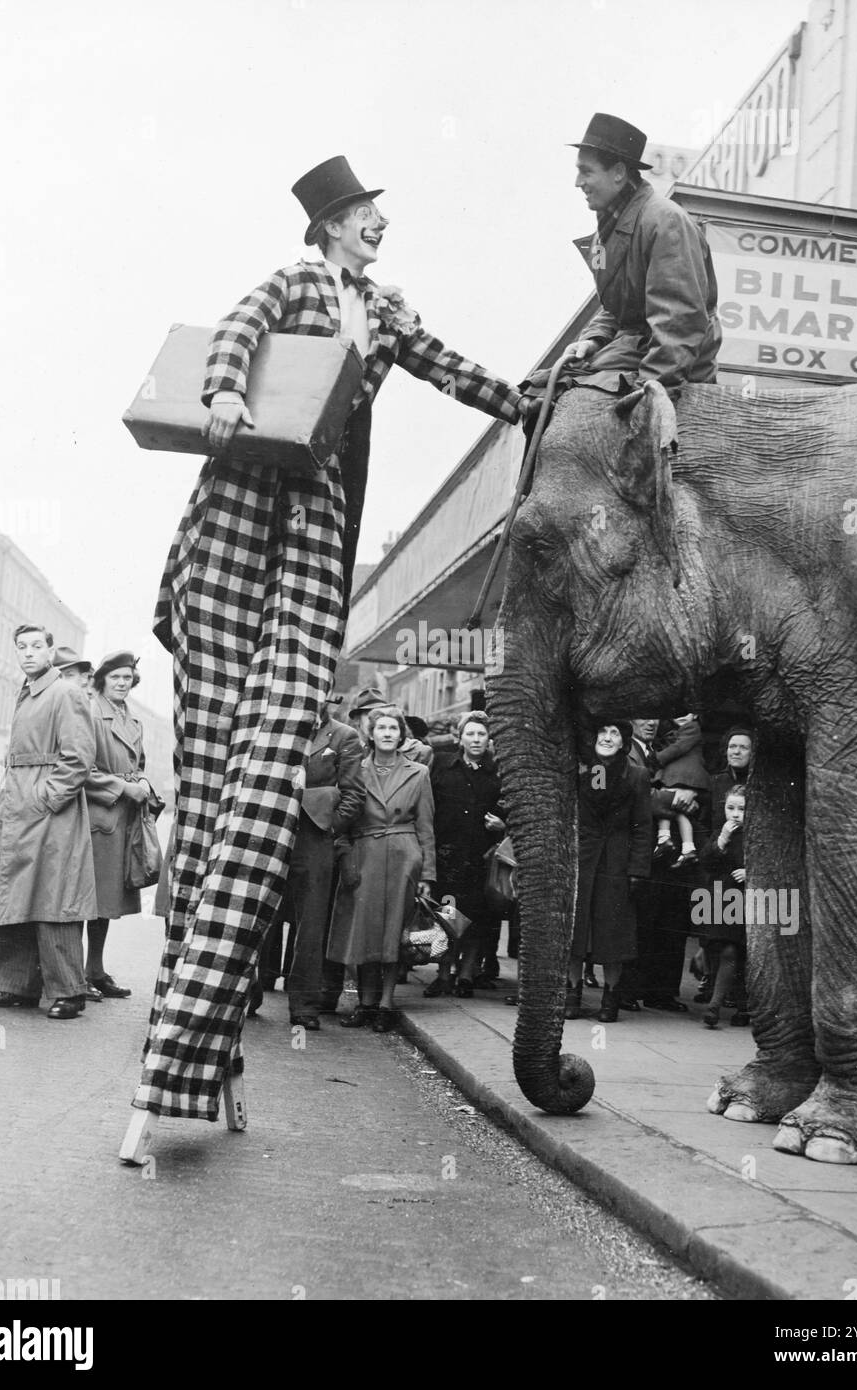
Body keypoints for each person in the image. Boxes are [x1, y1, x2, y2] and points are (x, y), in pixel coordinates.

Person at [136, 156, 526, 1122]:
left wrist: (521, 400)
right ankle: (188, 1036)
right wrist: (225, 395)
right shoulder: (294, 281)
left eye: (377, 215)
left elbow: (441, 363)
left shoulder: (385, 307)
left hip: (318, 507)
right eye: (362, 215)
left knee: (262, 768)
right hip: (244, 493)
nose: (376, 227)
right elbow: (232, 335)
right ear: (329, 226)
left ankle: (194, 1038)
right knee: (217, 747)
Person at [0, 624, 97, 1020]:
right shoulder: (25, 692)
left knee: (52, 898)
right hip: (15, 801)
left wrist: (47, 798)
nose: (28, 653)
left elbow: (78, 757)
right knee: (10, 893)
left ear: (49, 651)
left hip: (45, 809)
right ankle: (16, 985)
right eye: (21, 647)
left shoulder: (66, 693)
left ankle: (69, 991)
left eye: (36, 646)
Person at [563, 113, 721, 392]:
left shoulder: (665, 222)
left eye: (586, 171)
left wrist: (648, 390)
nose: (578, 182)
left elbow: (679, 322)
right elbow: (614, 307)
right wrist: (594, 339)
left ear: (619, 173)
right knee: (549, 386)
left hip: (676, 367)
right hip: (635, 351)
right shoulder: (603, 235)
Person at [258, 697, 365, 1029]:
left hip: (315, 837)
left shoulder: (344, 736)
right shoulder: (275, 727)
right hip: (272, 832)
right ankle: (248, 993)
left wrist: (330, 826)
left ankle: (304, 1005)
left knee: (312, 923)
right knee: (259, 912)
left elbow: (354, 793)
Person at [328, 709, 435, 1032]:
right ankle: (366, 1003)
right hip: (365, 854)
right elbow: (342, 818)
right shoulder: (356, 769)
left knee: (394, 933)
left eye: (393, 728)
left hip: (404, 855)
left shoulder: (418, 772)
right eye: (381, 728)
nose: (387, 733)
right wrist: (345, 856)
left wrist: (428, 874)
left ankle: (387, 1004)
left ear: (401, 735)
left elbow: (426, 825)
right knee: (364, 932)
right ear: (370, 734)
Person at [84, 652, 160, 1002]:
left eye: (127, 678)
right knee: (87, 900)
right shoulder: (89, 712)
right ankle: (77, 973)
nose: (121, 683)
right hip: (96, 816)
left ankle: (95, 970)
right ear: (102, 679)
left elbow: (137, 762)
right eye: (114, 677)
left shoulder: (130, 718)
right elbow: (81, 769)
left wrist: (142, 780)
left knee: (108, 902)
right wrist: (124, 787)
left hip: (122, 818)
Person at [566, 723, 653, 1022]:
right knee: (576, 931)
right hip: (582, 858)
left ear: (624, 742)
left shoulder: (637, 775)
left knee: (612, 934)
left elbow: (643, 826)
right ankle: (572, 995)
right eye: (602, 731)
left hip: (617, 862)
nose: (606, 737)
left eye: (614, 733)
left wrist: (638, 869)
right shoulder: (578, 772)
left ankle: (609, 998)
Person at [426, 711, 506, 998]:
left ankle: (466, 975)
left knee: (476, 919)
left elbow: (509, 813)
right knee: (447, 917)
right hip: (447, 857)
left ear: (489, 739)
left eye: (481, 734)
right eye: (470, 734)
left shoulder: (497, 774)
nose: (476, 739)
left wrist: (501, 825)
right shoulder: (443, 767)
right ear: (460, 738)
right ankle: (444, 974)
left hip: (480, 859)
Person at [626, 717, 697, 1012]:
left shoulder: (666, 750)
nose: (650, 722)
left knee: (671, 921)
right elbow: (636, 793)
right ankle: (629, 990)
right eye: (643, 717)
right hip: (641, 850)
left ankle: (662, 992)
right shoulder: (626, 752)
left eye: (654, 717)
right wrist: (676, 798)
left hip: (671, 854)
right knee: (639, 922)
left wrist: (693, 796)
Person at [699, 785, 750, 1027]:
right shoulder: (722, 832)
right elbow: (707, 861)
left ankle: (727, 1006)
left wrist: (751, 872)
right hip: (722, 898)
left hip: (746, 898)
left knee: (739, 953)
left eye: (741, 809)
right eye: (731, 808)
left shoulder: (753, 834)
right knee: (727, 951)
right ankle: (720, 1005)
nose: (735, 814)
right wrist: (721, 839)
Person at [654, 713, 711, 866]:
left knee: (666, 801)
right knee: (678, 811)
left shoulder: (692, 728)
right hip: (679, 774)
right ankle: (688, 848)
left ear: (696, 714)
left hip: (683, 774)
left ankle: (664, 837)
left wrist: (657, 758)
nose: (680, 715)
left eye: (685, 712)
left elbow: (679, 747)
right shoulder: (673, 732)